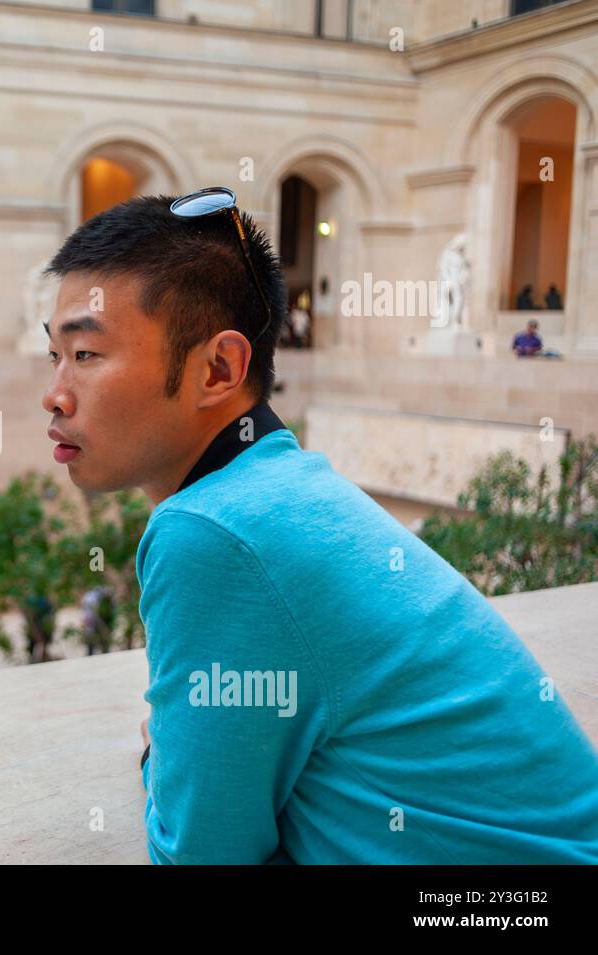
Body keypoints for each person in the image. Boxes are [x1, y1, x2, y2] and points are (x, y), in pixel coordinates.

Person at [41, 190, 598, 864]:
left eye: (88, 355)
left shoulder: (213, 533)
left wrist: (161, 757)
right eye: (55, 356)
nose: (55, 393)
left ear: (218, 368)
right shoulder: (282, 487)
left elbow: (200, 853)